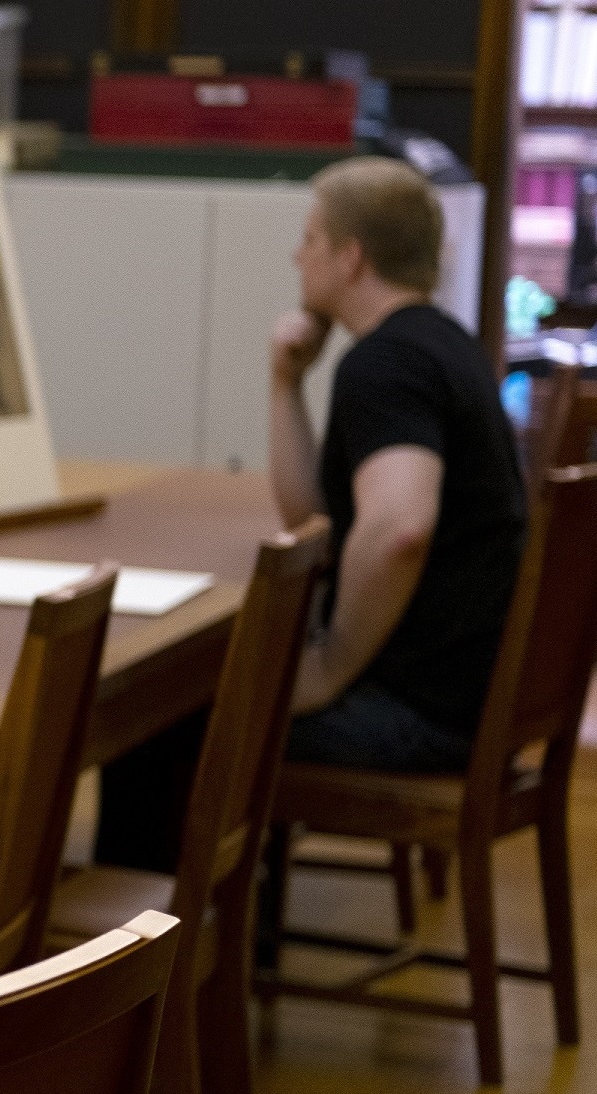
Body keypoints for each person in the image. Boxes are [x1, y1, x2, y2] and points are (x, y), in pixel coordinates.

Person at [97, 157, 525, 871]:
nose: (298, 257)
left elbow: (398, 529)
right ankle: (204, 951)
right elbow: (316, 521)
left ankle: (142, 963)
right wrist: (284, 379)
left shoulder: (386, 367)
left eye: (310, 239)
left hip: (419, 714)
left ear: (350, 257)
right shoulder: (443, 346)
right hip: (471, 702)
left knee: (155, 719)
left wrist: (329, 666)